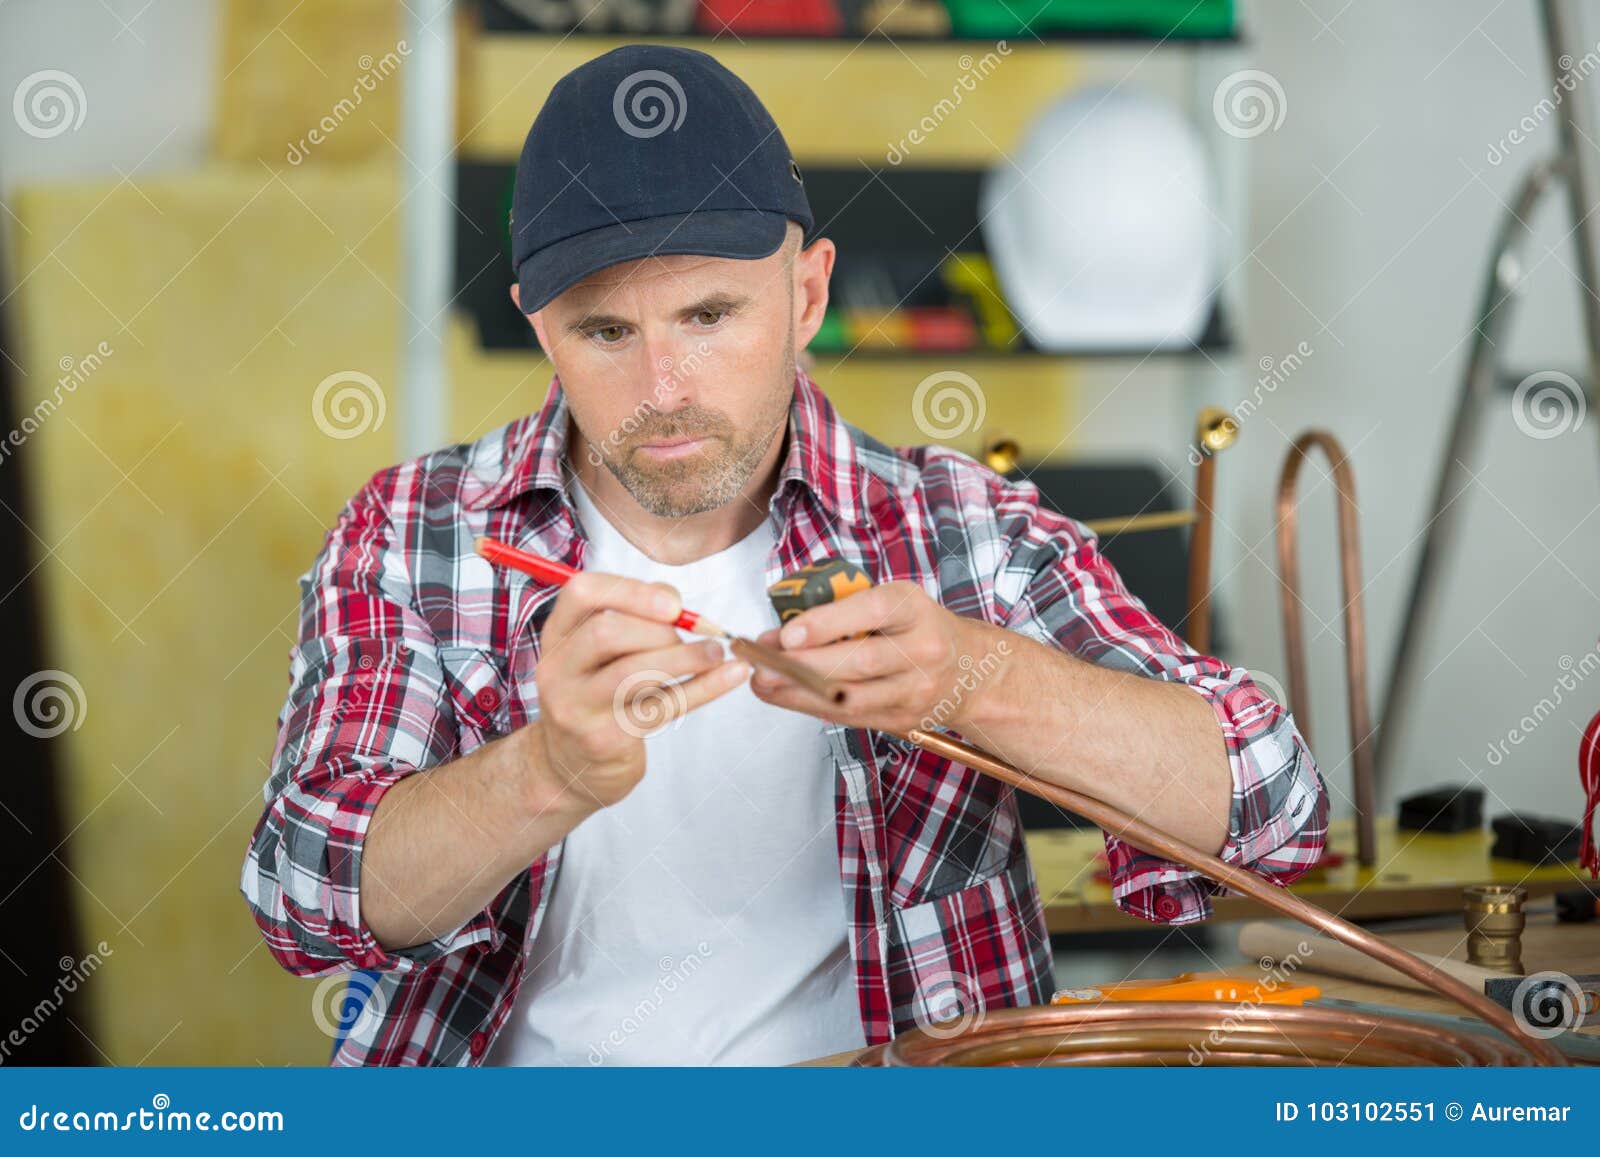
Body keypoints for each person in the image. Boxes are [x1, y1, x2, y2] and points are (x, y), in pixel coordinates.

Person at [241, 44, 1327, 1067]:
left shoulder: (952, 531)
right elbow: (300, 895)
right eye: (605, 332)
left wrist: (970, 675)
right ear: (537, 323)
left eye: (710, 314)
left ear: (807, 294)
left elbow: (1271, 808)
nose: (663, 388)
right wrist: (545, 773)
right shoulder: (421, 533)